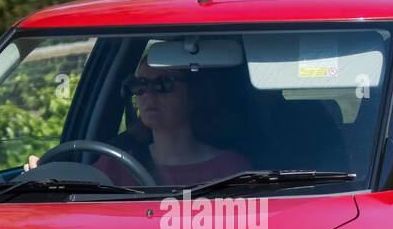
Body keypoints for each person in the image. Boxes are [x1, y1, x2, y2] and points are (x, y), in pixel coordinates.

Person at [26, 56, 250, 185]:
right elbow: (77, 199)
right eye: (140, 84)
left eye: (164, 84)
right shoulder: (116, 164)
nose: (148, 94)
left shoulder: (231, 169)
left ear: (195, 95)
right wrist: (43, 179)